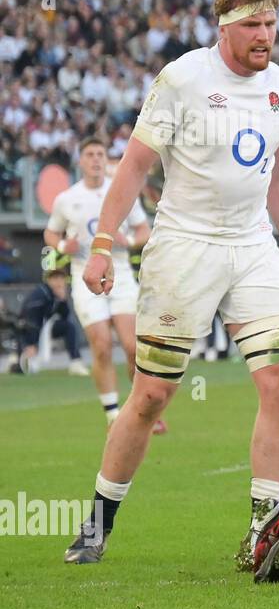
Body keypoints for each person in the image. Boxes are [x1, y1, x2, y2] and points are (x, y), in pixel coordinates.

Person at [64, 0, 279, 569]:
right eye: (253, 26)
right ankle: (98, 523)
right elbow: (134, 167)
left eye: (272, 26)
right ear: (224, 27)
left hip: (252, 246)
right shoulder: (183, 78)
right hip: (184, 245)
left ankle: (262, 526)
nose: (265, 37)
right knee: (152, 393)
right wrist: (102, 245)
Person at [44, 140, 163, 431]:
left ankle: (142, 411)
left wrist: (131, 241)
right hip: (85, 277)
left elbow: (143, 229)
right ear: (80, 161)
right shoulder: (67, 198)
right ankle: (112, 414)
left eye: (100, 154)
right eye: (90, 154)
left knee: (133, 347)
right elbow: (50, 232)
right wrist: (61, 244)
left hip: (120, 274)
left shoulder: (120, 189)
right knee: (101, 345)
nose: (96, 159)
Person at [16, 270, 85, 375]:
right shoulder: (40, 294)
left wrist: (62, 300)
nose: (59, 282)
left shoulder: (56, 294)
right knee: (26, 367)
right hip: (26, 330)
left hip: (44, 328)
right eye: (55, 278)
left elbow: (64, 316)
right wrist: (30, 343)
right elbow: (31, 321)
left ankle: (76, 362)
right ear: (48, 280)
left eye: (61, 278)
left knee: (68, 327)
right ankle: (14, 360)